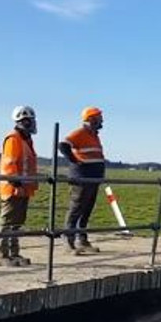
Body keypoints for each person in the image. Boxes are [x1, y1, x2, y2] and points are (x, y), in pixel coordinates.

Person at [59, 106, 106, 254]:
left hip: (93, 179)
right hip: (81, 179)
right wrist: (75, 160)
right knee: (76, 209)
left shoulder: (94, 135)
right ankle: (69, 240)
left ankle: (82, 240)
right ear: (91, 119)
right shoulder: (80, 133)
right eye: (99, 118)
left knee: (86, 211)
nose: (101, 121)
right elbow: (63, 145)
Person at [0, 106, 39, 267]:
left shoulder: (25, 139)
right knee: (7, 221)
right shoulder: (13, 139)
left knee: (16, 223)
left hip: (23, 188)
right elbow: (9, 163)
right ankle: (2, 253)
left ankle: (14, 253)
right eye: (29, 121)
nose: (32, 124)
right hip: (13, 188)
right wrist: (16, 182)